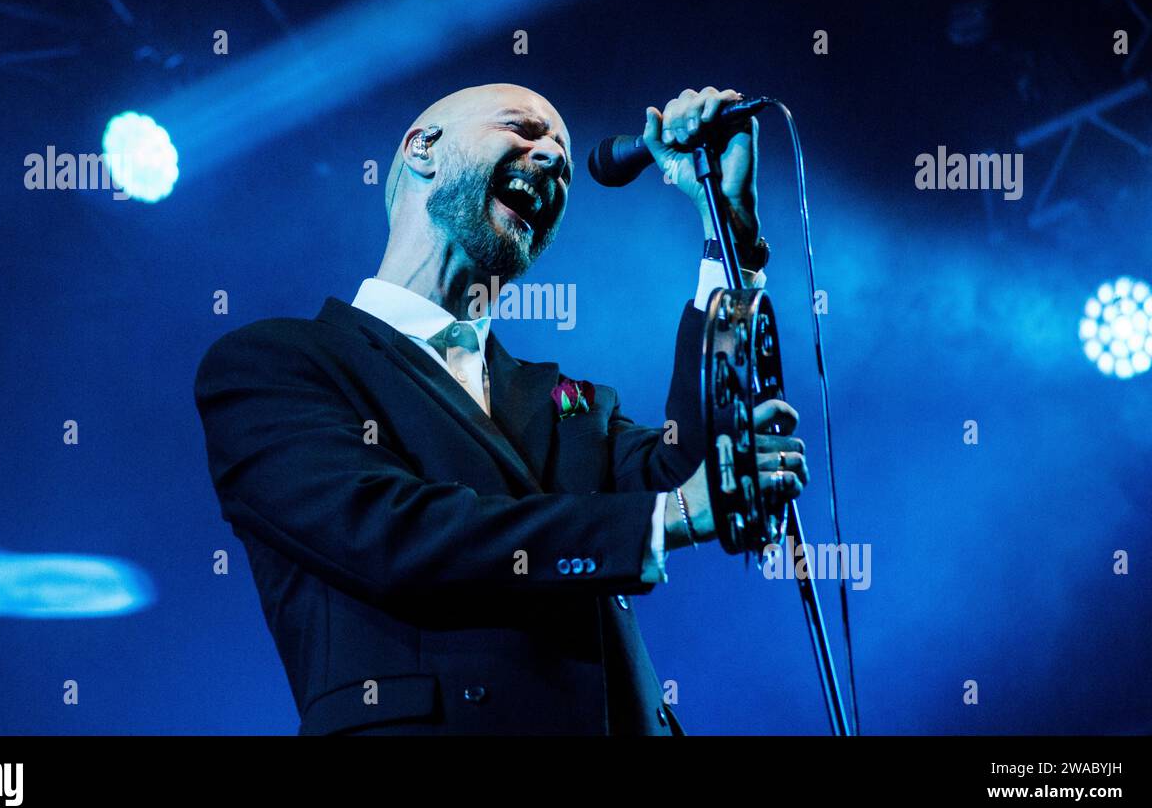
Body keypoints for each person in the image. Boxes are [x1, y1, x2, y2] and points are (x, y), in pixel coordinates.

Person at [194, 84, 808, 735]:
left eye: (565, 162)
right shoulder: (275, 363)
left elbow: (705, 471)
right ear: (423, 148)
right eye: (523, 130)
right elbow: (390, 535)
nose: (550, 161)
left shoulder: (570, 403)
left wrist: (730, 231)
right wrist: (669, 514)